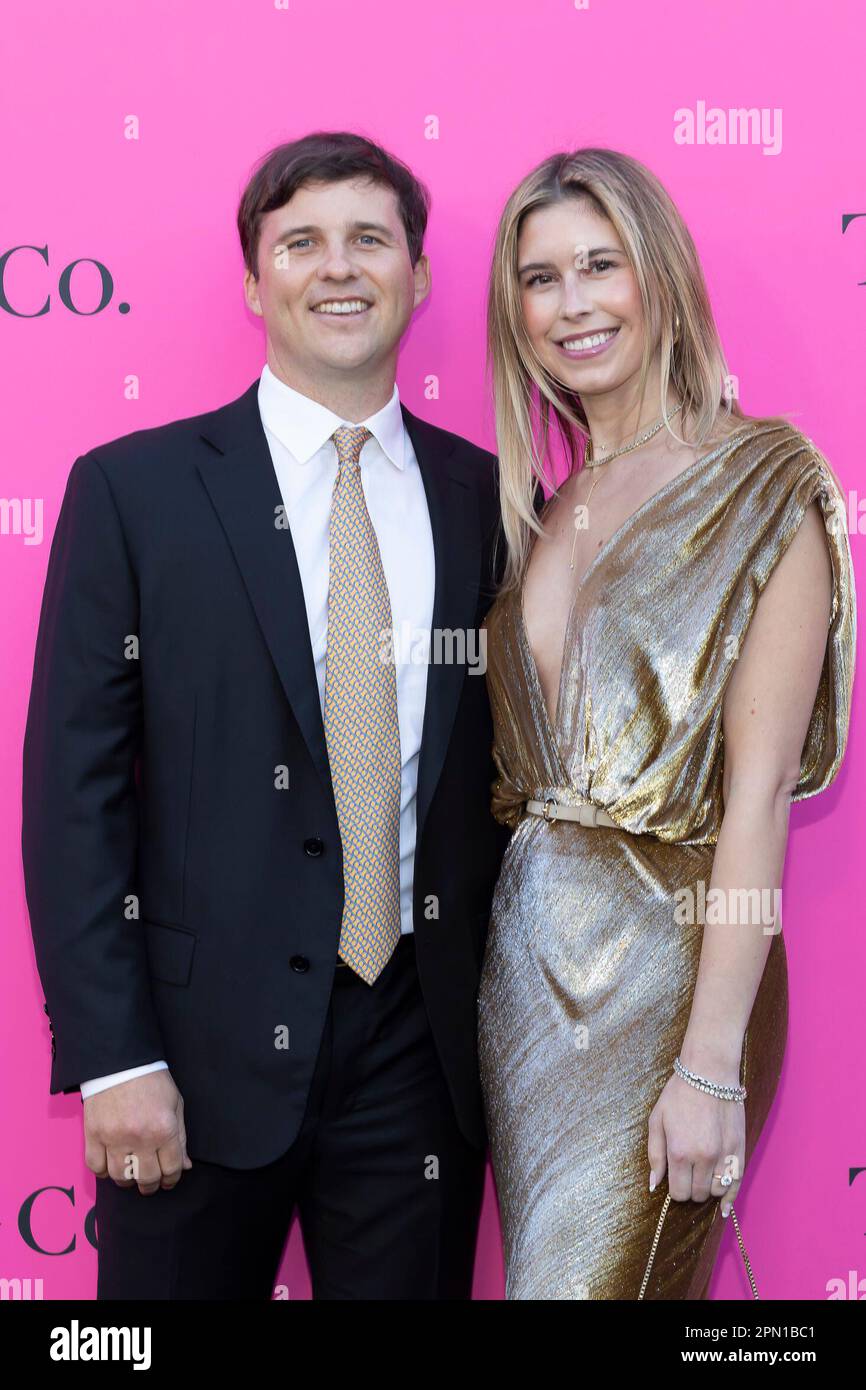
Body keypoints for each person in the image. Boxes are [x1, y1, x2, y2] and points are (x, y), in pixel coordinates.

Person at [22, 130, 510, 1300]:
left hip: (417, 1057)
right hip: (185, 1062)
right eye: (300, 242)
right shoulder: (133, 492)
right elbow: (70, 797)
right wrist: (114, 1060)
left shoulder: (489, 501)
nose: (336, 267)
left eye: (367, 239)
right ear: (254, 281)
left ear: (418, 274)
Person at [477, 147, 856, 1299]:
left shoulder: (759, 481)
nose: (572, 303)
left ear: (660, 276)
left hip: (668, 978)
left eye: (601, 264)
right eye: (539, 279)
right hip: (524, 982)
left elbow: (753, 809)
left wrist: (709, 1064)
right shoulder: (546, 500)